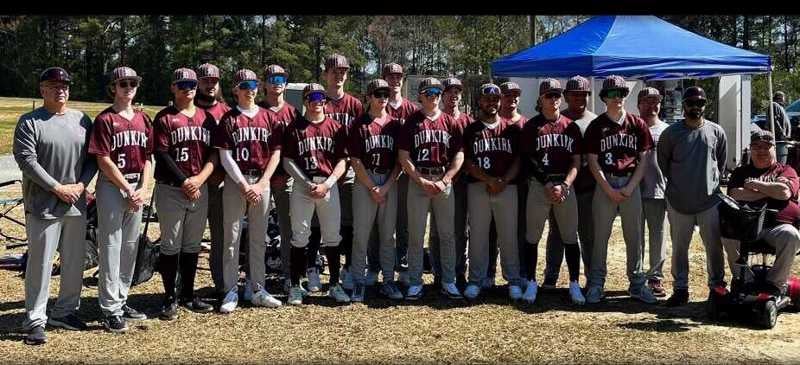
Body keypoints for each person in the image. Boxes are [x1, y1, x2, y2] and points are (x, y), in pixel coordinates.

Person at [14, 67, 97, 345]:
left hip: (75, 203)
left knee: (74, 262)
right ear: (42, 90)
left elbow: (92, 159)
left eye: (64, 86)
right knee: (40, 264)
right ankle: (35, 320)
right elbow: (27, 160)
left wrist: (81, 185)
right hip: (43, 205)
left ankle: (65, 311)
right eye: (53, 85)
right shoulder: (30, 122)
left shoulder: (82, 120)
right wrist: (57, 187)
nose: (60, 90)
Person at [657, 86, 738, 307]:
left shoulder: (716, 131)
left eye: (700, 103)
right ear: (684, 105)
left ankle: (717, 288)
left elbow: (720, 163)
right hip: (678, 201)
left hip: (709, 201)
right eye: (691, 102)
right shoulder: (671, 134)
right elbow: (663, 163)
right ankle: (680, 289)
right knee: (679, 249)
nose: (696, 106)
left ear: (705, 105)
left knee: (714, 248)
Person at [213, 69, 283, 314]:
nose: (250, 90)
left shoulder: (268, 117)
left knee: (258, 239)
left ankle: (257, 288)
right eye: (244, 86)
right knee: (231, 238)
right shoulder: (229, 118)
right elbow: (225, 156)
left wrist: (263, 183)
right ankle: (231, 289)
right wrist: (243, 184)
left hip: (261, 181)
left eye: (253, 85)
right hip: (237, 182)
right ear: (236, 90)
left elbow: (276, 153)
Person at [88, 66, 153, 332]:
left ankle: (122, 299)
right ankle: (109, 308)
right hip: (113, 187)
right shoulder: (105, 119)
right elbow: (103, 160)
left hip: (136, 186)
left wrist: (144, 188)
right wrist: (127, 188)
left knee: (129, 247)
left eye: (132, 83)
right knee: (111, 246)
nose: (128, 88)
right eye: (123, 83)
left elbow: (149, 158)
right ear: (113, 87)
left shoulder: (143, 118)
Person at [583, 75, 657, 305]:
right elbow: (592, 161)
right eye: (613, 94)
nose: (618, 98)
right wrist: (607, 188)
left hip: (630, 184)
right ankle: (596, 284)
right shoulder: (597, 125)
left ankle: (637, 284)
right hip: (605, 183)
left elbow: (644, 158)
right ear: (604, 97)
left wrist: (630, 187)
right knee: (600, 237)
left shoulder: (637, 123)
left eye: (622, 93)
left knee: (634, 237)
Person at [152, 68, 217, 320]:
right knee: (171, 244)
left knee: (192, 244)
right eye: (182, 85)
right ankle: (169, 297)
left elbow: (214, 154)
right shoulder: (165, 117)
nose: (188, 88)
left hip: (199, 188)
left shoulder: (206, 117)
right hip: (171, 188)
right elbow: (161, 154)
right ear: (173, 87)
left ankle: (188, 295)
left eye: (191, 84)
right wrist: (185, 181)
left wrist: (199, 180)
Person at [283, 83, 350, 305]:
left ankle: (334, 284)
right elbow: (287, 160)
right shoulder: (295, 127)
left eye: (321, 97)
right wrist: (305, 182)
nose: (317, 102)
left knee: (332, 236)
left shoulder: (335, 127)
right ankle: (295, 285)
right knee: (300, 235)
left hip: (328, 185)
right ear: (305, 101)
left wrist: (328, 184)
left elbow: (342, 161)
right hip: (303, 186)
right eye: (312, 98)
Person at [397, 77, 465, 300]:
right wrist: (421, 180)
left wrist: (446, 180)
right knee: (416, 235)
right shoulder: (412, 122)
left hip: (443, 181)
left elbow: (459, 154)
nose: (433, 96)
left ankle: (448, 280)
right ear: (420, 96)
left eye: (437, 92)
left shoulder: (449, 121)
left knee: (447, 235)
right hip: (419, 181)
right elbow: (404, 156)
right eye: (428, 92)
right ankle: (415, 282)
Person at [520, 79, 585, 305]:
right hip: (540, 186)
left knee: (570, 236)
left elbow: (576, 161)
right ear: (540, 99)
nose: (554, 99)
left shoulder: (571, 126)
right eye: (549, 95)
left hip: (564, 186)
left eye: (557, 95)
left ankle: (574, 284)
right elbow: (529, 160)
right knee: (532, 236)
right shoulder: (532, 126)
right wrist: (547, 183)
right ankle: (531, 282)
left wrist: (565, 184)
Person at [462, 83, 523, 300]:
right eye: (487, 99)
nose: (492, 103)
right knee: (478, 235)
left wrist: (504, 181)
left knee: (509, 236)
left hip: (507, 186)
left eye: (496, 99)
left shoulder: (511, 129)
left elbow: (518, 160)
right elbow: (467, 162)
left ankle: (513, 280)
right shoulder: (471, 129)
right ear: (479, 101)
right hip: (478, 186)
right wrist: (488, 179)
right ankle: (475, 280)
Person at [309, 54, 363, 292]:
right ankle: (312, 268)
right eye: (334, 71)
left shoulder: (354, 104)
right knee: (315, 224)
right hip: (320, 170)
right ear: (325, 74)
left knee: (348, 223)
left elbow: (360, 138)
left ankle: (347, 268)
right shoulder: (317, 99)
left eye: (343, 71)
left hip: (347, 170)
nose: (339, 75)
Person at [348, 79, 403, 301]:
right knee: (361, 235)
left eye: (386, 94)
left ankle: (388, 280)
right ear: (369, 97)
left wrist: (386, 186)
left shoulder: (395, 125)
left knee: (388, 236)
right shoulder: (359, 124)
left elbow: (400, 161)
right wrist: (372, 187)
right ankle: (358, 281)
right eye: (378, 94)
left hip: (389, 180)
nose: (383, 98)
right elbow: (355, 160)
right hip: (366, 180)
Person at [727, 129, 800, 295]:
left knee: (791, 235)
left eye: (766, 147)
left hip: (778, 227)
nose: (761, 151)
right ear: (750, 149)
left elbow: (784, 192)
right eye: (756, 147)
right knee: (727, 235)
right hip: (747, 227)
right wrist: (771, 190)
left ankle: (775, 284)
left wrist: (755, 185)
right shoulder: (740, 172)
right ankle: (746, 281)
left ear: (774, 149)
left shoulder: (786, 170)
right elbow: (735, 194)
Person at [543, 76, 598, 286]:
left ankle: (592, 278)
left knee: (587, 234)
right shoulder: (558, 119)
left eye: (583, 94)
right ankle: (551, 275)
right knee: (557, 233)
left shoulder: (594, 121)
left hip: (586, 187)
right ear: (566, 96)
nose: (579, 98)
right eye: (575, 95)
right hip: (561, 187)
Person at [256, 64, 299, 293]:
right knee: (257, 229)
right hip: (260, 179)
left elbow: (297, 148)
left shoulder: (293, 112)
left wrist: (286, 175)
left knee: (288, 230)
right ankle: (255, 277)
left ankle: (289, 276)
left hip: (286, 179)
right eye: (272, 78)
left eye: (281, 78)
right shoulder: (256, 109)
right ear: (264, 83)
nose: (277, 83)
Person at [428, 77, 472, 290]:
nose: (454, 95)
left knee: (459, 229)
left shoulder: (467, 121)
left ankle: (458, 270)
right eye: (449, 91)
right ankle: (438, 271)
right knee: (437, 230)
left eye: (457, 91)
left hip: (460, 182)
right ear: (442, 95)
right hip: (437, 181)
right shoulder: (435, 118)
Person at [193, 62, 231, 297]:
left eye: (214, 81)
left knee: (220, 237)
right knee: (189, 239)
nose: (210, 85)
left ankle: (221, 283)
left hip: (219, 183)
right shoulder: (188, 107)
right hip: (192, 184)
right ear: (198, 82)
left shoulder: (226, 111)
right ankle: (183, 286)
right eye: (205, 80)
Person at [381, 62, 419, 286]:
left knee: (404, 221)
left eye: (398, 77)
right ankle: (376, 265)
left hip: (405, 172)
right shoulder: (378, 103)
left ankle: (402, 265)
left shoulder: (411, 109)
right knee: (381, 222)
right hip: (383, 170)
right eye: (390, 76)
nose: (395, 80)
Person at [636, 87, 669, 297]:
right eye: (647, 101)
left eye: (656, 101)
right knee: (635, 237)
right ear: (639, 104)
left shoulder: (667, 130)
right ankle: (637, 276)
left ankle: (655, 277)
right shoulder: (631, 127)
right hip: (634, 190)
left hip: (659, 190)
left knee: (658, 236)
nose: (652, 105)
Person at [498, 81, 530, 290]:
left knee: (520, 230)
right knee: (491, 231)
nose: (512, 98)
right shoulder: (493, 121)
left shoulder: (526, 124)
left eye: (515, 95)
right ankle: (489, 273)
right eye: (507, 95)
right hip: (495, 183)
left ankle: (520, 272)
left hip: (521, 184)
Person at [769, 91, 792, 164]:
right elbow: (775, 120)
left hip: (782, 138)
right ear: (780, 97)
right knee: (779, 160)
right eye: (783, 97)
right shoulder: (774, 105)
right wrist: (782, 133)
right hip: (779, 138)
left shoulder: (780, 106)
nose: (784, 99)